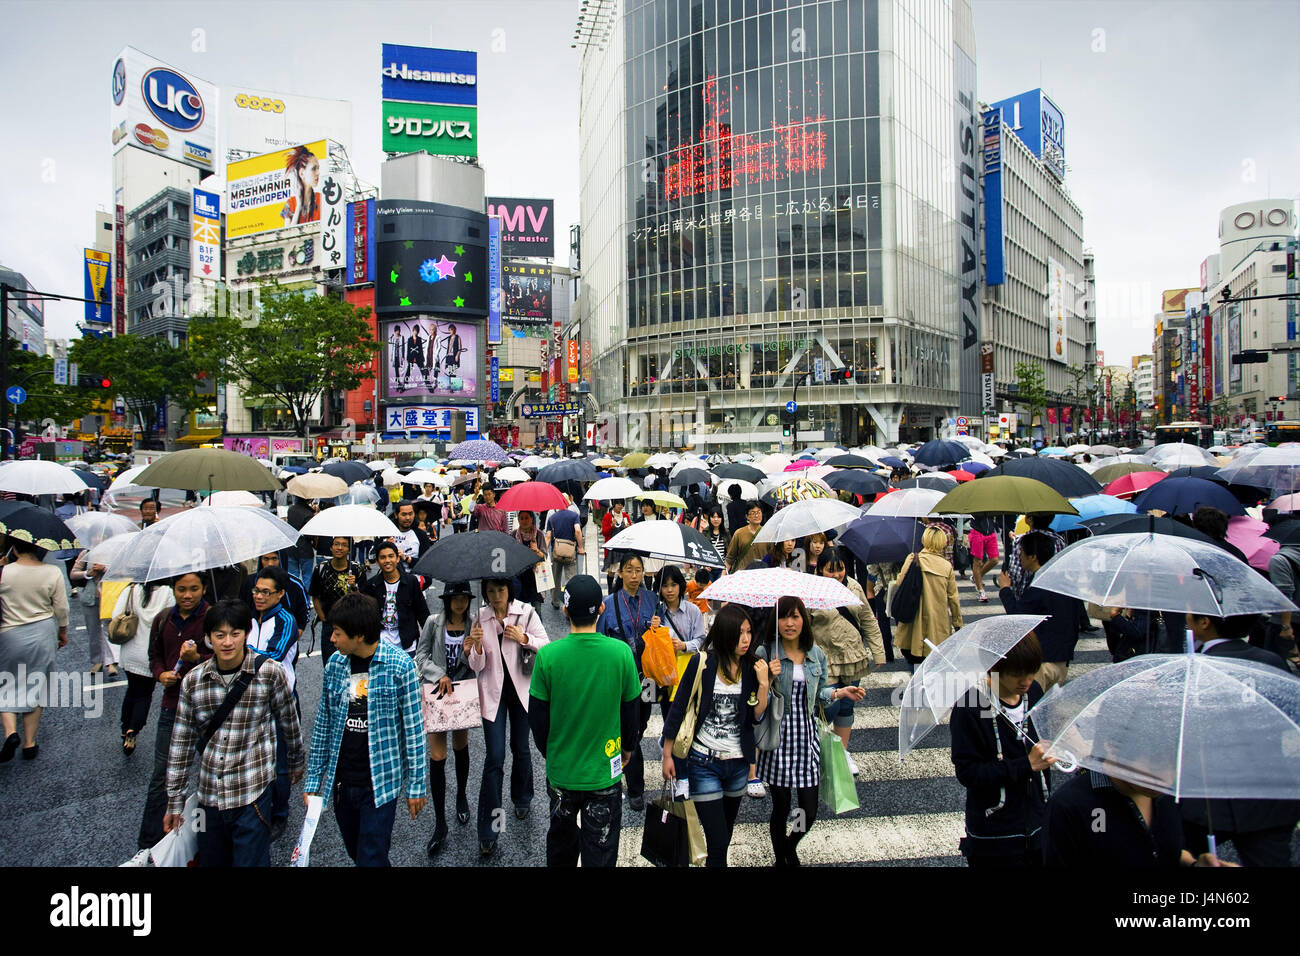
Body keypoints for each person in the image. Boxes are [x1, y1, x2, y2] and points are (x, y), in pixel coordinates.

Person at [163, 600, 305, 868]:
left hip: (252, 792)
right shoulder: (193, 681)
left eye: (235, 634)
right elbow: (181, 743)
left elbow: (289, 720)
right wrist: (174, 800)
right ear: (208, 639)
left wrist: (296, 760)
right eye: (219, 635)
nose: (227, 642)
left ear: (246, 633)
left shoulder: (268, 673)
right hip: (209, 796)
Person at [303, 593, 428, 866]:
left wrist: (417, 784)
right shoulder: (335, 664)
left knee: (370, 856)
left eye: (337, 633)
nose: (332, 639)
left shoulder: (399, 666)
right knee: (357, 852)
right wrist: (314, 779)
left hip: (380, 783)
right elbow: (324, 722)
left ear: (359, 635)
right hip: (342, 782)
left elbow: (414, 729)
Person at [529, 575, 641, 867]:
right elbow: (632, 711)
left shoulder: (548, 657)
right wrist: (627, 747)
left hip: (562, 771)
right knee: (601, 849)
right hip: (604, 769)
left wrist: (551, 751)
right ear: (601, 609)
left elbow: (538, 720)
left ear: (565, 611)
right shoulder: (621, 654)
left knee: (561, 846)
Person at [1179, 611, 1300, 866]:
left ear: (1205, 622)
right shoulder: (1270, 661)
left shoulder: (1192, 667)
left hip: (1205, 796)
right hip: (1267, 794)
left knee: (1179, 855)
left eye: (1191, 614)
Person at [661, 603, 771, 867]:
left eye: (748, 632)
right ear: (724, 634)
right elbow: (679, 707)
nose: (745, 640)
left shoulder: (754, 666)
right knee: (719, 843)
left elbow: (756, 716)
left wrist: (765, 685)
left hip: (739, 764)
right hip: (704, 762)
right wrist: (667, 754)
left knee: (724, 834)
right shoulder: (703, 663)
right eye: (739, 633)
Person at [760, 595, 862, 866]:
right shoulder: (766, 652)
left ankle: (790, 845)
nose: (789, 623)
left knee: (810, 808)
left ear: (804, 620)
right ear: (776, 620)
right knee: (781, 807)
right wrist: (767, 678)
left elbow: (819, 694)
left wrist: (840, 692)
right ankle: (782, 858)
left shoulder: (815, 653)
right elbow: (756, 704)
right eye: (783, 617)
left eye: (795, 617)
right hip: (778, 738)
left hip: (806, 737)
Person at [949, 632, 1055, 867]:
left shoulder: (1034, 692)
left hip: (1037, 826)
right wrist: (1025, 765)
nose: (1026, 681)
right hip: (994, 834)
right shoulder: (970, 706)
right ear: (993, 668)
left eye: (1031, 671)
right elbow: (968, 773)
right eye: (1017, 673)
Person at [464, 577, 550, 857]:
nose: (496, 596)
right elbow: (476, 665)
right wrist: (475, 647)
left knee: (521, 748)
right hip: (493, 694)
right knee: (495, 756)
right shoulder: (480, 617)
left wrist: (523, 638)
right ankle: (488, 828)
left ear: (509, 591)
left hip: (522, 691)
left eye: (500, 590)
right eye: (490, 591)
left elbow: (546, 646)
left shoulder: (525, 612)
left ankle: (522, 797)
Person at [136, 573, 210, 849]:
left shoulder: (212, 619)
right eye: (181, 589)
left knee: (213, 773)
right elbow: (153, 655)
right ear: (173, 589)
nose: (187, 595)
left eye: (194, 589)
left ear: (203, 588)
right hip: (172, 706)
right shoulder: (163, 618)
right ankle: (150, 844)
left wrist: (197, 659)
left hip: (207, 708)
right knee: (163, 776)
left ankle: (208, 837)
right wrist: (161, 674)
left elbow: (225, 658)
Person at [414, 581, 476, 855]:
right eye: (455, 598)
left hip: (463, 693)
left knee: (460, 746)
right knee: (437, 757)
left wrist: (469, 652)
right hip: (437, 693)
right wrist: (439, 674)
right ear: (447, 600)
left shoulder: (474, 624)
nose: (460, 604)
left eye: (464, 598)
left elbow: (478, 664)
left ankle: (461, 796)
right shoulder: (432, 622)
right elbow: (421, 656)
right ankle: (440, 822)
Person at [595, 553, 659, 810]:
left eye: (638, 570)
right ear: (620, 573)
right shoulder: (608, 604)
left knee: (639, 728)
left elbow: (662, 638)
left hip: (646, 678)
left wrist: (657, 626)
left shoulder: (652, 601)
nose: (634, 575)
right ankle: (635, 788)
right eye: (629, 570)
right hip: (619, 680)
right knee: (627, 730)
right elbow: (599, 642)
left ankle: (626, 763)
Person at [811, 549, 885, 770]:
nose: (836, 575)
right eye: (830, 570)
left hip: (852, 654)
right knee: (826, 706)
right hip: (824, 657)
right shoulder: (810, 591)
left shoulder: (854, 586)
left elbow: (867, 618)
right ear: (820, 569)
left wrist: (878, 650)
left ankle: (842, 754)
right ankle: (818, 749)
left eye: (840, 569)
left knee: (846, 707)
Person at [0, 540, 69, 763]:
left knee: (7, 683)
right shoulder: (52, 571)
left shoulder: (4, 571)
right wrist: (63, 631)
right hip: (43, 631)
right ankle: (29, 743)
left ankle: (11, 733)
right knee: (37, 685)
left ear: (15, 549)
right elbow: (61, 607)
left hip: (10, 633)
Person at [247, 564, 301, 839]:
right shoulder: (246, 617)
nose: (259, 596)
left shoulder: (286, 621)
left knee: (280, 763)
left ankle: (279, 813)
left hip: (280, 700)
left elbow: (273, 656)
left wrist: (240, 653)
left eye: (266, 592)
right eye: (257, 590)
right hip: (248, 701)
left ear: (280, 594)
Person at [997, 531, 1084, 692]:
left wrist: (1005, 589)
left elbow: (1018, 616)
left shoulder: (1039, 585)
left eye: (1022, 553)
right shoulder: (1064, 582)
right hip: (1062, 659)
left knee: (1032, 707)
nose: (1020, 557)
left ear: (1033, 556)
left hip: (1043, 663)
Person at [893, 526, 964, 671]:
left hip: (913, 616)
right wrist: (957, 622)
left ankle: (915, 686)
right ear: (943, 542)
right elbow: (953, 598)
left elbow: (900, 582)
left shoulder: (913, 558)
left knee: (912, 655)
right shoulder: (946, 566)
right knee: (934, 660)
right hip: (937, 621)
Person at [359, 542, 430, 655]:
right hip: (380, 646)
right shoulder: (371, 585)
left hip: (407, 645)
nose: (387, 560)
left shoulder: (411, 582)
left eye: (391, 556)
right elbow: (363, 617)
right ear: (377, 562)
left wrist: (429, 643)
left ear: (397, 559)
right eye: (382, 557)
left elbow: (422, 613)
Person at [309, 536, 362, 667]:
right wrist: (323, 618)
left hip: (352, 624)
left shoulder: (356, 569)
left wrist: (354, 586)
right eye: (336, 544)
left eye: (344, 545)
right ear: (331, 548)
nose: (339, 548)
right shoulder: (321, 569)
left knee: (354, 665)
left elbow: (364, 600)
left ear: (349, 549)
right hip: (330, 625)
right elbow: (315, 596)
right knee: (329, 663)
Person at [70, 548, 117, 676]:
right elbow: (73, 574)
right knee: (93, 630)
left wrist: (104, 569)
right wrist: (89, 572)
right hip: (90, 597)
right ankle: (97, 661)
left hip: (109, 596)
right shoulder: (86, 554)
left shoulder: (115, 552)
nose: (98, 538)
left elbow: (121, 571)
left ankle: (111, 662)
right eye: (94, 535)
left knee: (109, 628)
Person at [240, 552, 309, 635]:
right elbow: (242, 609)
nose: (270, 563)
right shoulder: (249, 581)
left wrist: (299, 630)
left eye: (274, 559)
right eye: (266, 559)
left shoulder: (295, 585)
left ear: (280, 593)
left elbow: (303, 611)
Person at [545, 499, 585, 608]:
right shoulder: (574, 515)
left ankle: (555, 601)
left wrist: (544, 552)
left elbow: (548, 537)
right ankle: (569, 603)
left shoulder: (552, 517)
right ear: (568, 503)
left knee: (556, 578)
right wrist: (580, 547)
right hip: (570, 551)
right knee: (570, 579)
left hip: (556, 552)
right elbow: (577, 530)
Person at [511, 511, 546, 607]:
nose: (524, 521)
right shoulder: (513, 535)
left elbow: (544, 557)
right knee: (519, 609)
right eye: (521, 518)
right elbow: (510, 556)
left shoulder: (539, 535)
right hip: (519, 576)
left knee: (537, 609)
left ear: (532, 519)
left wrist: (536, 550)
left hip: (535, 577)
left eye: (526, 518)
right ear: (518, 520)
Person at [280, 144, 321, 225]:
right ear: (302, 173)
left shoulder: (322, 200)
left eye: (318, 168)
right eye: (313, 169)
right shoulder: (291, 203)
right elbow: (288, 235)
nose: (318, 173)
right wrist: (298, 207)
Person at [725, 501, 770, 573]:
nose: (756, 515)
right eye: (753, 513)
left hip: (762, 574)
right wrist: (723, 575)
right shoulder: (739, 533)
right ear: (747, 516)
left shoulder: (768, 533)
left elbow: (774, 556)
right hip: (742, 574)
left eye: (758, 512)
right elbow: (730, 558)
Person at [285, 496, 319, 589]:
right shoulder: (309, 513)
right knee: (307, 577)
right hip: (305, 548)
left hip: (292, 545)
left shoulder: (291, 509)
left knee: (293, 576)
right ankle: (306, 600)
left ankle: (294, 596)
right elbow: (310, 534)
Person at [967, 514, 1002, 602]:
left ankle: (976, 577)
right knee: (978, 561)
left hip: (991, 532)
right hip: (977, 531)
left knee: (995, 560)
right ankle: (981, 590)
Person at [391, 501, 434, 569]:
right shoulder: (387, 534)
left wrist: (407, 559)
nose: (408, 518)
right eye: (404, 514)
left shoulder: (421, 535)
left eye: (410, 514)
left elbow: (426, 563)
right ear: (396, 515)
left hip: (414, 577)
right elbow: (372, 558)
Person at [600, 501, 632, 591]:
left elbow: (630, 532)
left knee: (622, 570)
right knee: (611, 571)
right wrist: (611, 526)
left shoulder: (625, 516)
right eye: (618, 504)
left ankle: (620, 589)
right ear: (614, 505)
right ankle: (610, 589)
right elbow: (604, 533)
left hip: (623, 547)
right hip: (612, 548)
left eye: (622, 504)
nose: (620, 506)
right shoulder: (608, 516)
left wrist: (628, 528)